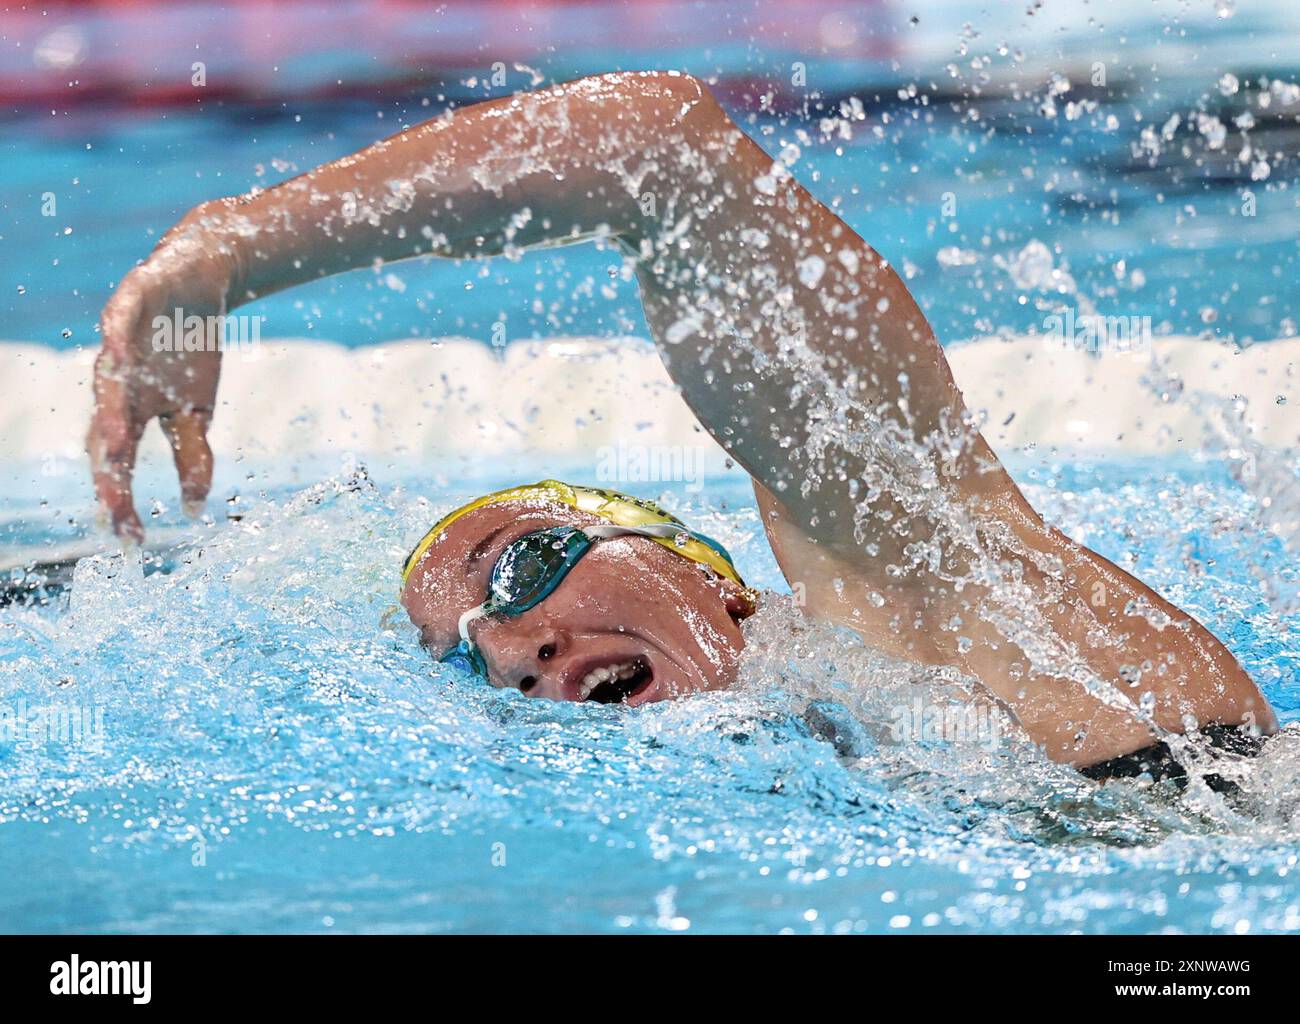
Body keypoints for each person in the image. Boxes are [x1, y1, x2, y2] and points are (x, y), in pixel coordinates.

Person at [86, 71, 1276, 769]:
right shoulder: (861, 753)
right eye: (468, 659)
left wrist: (217, 257)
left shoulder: (927, 585)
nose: (512, 651)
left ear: (718, 582)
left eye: (523, 567)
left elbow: (662, 151)